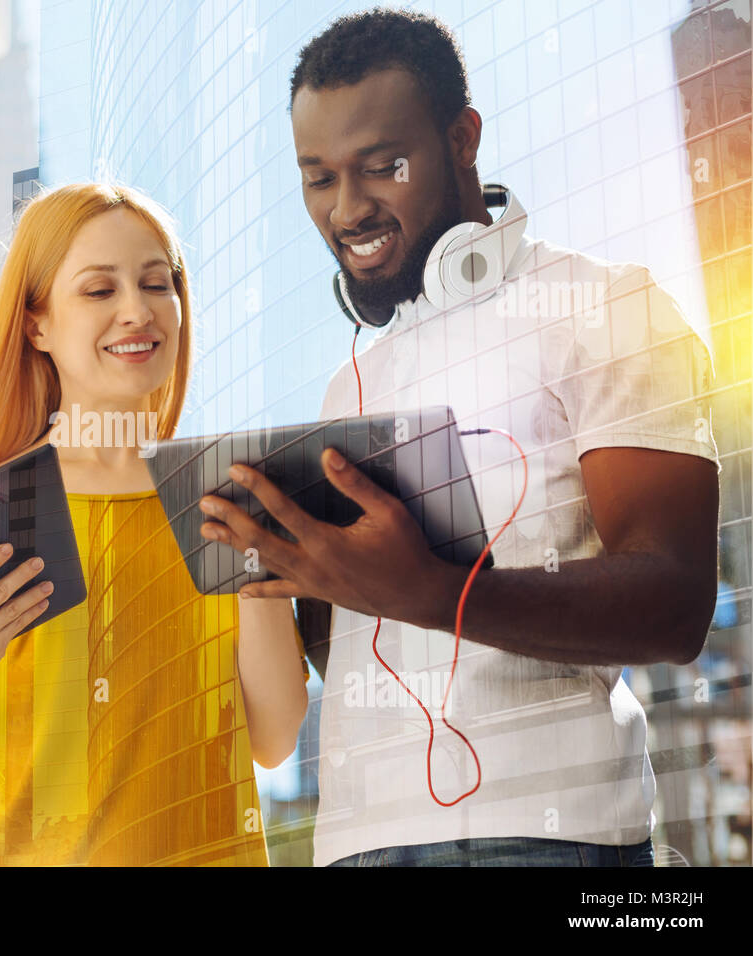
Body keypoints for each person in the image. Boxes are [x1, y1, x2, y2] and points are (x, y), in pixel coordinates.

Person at [198, 8, 720, 867]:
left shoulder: (607, 304)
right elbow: (356, 643)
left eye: (380, 167)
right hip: (352, 845)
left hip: (547, 837)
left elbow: (673, 602)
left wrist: (437, 591)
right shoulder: (348, 383)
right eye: (318, 178)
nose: (347, 208)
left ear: (462, 138)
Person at [0, 181, 310, 866]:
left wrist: (254, 558)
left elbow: (275, 736)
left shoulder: (229, 495)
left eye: (156, 284)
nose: (137, 311)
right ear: (37, 324)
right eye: (98, 291)